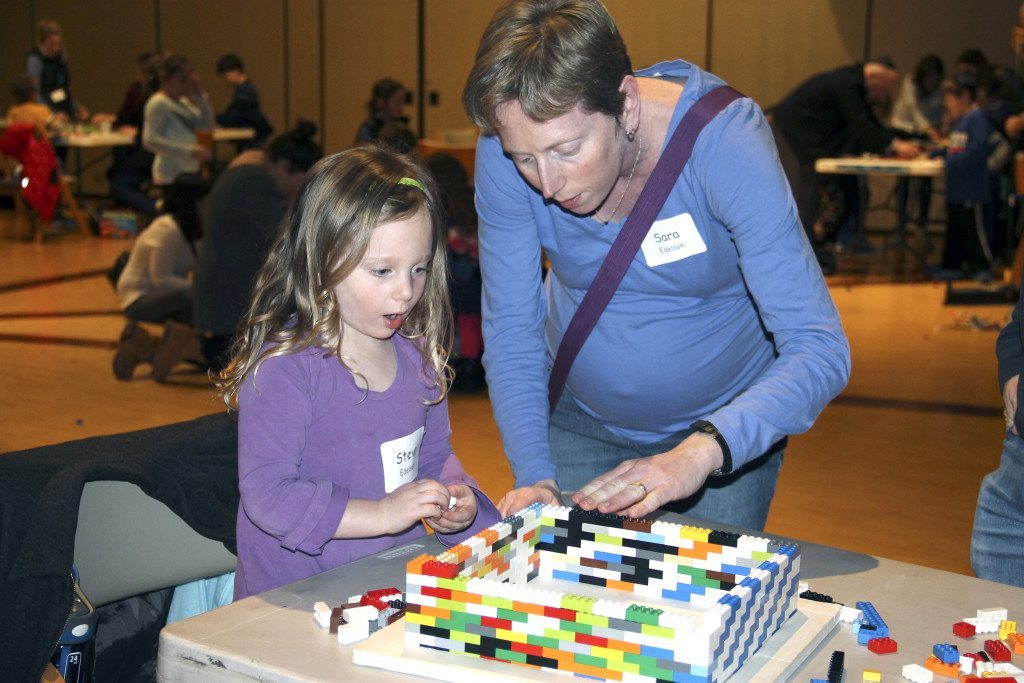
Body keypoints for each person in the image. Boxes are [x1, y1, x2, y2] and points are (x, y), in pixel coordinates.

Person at [463, 0, 850, 528]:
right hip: (576, 421)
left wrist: (702, 451)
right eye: (526, 159)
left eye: (567, 149)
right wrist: (534, 471)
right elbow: (511, 325)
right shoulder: (507, 147)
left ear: (626, 104)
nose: (547, 185)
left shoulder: (724, 142)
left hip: (721, 436)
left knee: (703, 604)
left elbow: (819, 347)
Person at [216, 146, 502, 599]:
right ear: (321, 260)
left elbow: (432, 459)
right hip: (294, 602)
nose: (406, 291)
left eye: (419, 269)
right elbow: (269, 495)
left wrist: (456, 499)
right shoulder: (285, 368)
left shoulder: (418, 356)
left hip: (389, 587)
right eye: (382, 270)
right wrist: (383, 515)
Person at [192, 120, 323, 374]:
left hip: (227, 312)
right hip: (228, 323)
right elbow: (289, 241)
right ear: (285, 167)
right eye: (300, 182)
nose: (298, 190)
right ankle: (182, 345)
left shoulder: (250, 174)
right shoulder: (253, 182)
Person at [770, 58, 922, 270]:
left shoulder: (852, 84)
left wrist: (914, 138)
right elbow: (862, 126)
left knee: (813, 198)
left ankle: (812, 253)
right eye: (886, 87)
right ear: (873, 76)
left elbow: (872, 127)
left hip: (806, 140)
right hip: (791, 136)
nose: (886, 94)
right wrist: (895, 144)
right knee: (803, 199)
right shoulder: (846, 84)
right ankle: (801, 259)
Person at [113, 173, 209, 381]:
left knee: (205, 329)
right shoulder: (167, 230)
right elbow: (161, 280)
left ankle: (150, 347)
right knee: (196, 301)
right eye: (206, 202)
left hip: (166, 297)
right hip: (139, 299)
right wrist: (198, 288)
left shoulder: (193, 230)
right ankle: (165, 348)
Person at [930, 72, 1006, 280]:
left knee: (975, 231)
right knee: (957, 230)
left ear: (963, 97)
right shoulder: (961, 121)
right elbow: (956, 147)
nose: (947, 106)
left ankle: (984, 265)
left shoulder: (977, 118)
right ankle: (953, 264)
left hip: (972, 189)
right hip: (957, 189)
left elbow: (977, 149)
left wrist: (949, 161)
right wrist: (939, 153)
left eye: (949, 100)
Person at [425, 152, 485, 392]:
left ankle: (458, 368)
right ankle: (472, 368)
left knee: (453, 325)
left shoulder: (442, 209)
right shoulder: (475, 202)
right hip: (477, 281)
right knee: (471, 324)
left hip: (453, 282)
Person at [142, 52, 214, 195]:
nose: (187, 85)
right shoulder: (158, 103)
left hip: (188, 169)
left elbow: (206, 125)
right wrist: (189, 150)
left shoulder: (183, 102)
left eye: (188, 80)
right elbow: (149, 140)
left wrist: (200, 95)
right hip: (171, 173)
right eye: (182, 80)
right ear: (165, 79)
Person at [108, 53, 159, 220]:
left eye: (140, 73)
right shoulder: (150, 96)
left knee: (119, 182)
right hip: (153, 152)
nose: (137, 77)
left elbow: (149, 133)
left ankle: (157, 211)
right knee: (115, 169)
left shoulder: (153, 100)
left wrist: (137, 132)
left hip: (152, 153)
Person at [24, 19, 87, 124]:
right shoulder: (34, 61)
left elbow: (63, 91)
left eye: (58, 44)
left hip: (63, 113)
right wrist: (52, 114)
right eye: (51, 44)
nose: (55, 48)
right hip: (45, 118)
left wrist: (76, 107)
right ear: (42, 42)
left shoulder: (60, 59)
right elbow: (34, 95)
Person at [214, 53, 273, 151]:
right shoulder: (245, 89)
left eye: (225, 75)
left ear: (235, 71)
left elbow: (234, 115)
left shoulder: (244, 92)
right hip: (251, 135)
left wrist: (215, 119)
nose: (226, 80)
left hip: (250, 138)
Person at [355, 78, 410, 143]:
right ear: (381, 102)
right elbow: (364, 151)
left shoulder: (401, 127)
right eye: (397, 101)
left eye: (403, 102)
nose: (401, 107)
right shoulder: (369, 128)